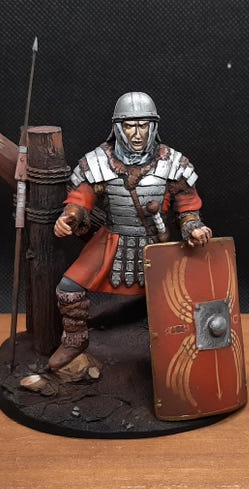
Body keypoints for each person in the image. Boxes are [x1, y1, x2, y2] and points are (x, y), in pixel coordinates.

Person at [49, 92, 212, 370]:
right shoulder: (99, 161)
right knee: (69, 287)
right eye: (130, 126)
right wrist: (70, 217)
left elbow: (187, 206)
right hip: (111, 240)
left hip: (156, 246)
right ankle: (74, 341)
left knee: (177, 298)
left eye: (143, 125)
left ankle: (171, 348)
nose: (137, 134)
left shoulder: (173, 162)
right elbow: (80, 199)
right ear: (118, 127)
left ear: (153, 126)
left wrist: (193, 227)